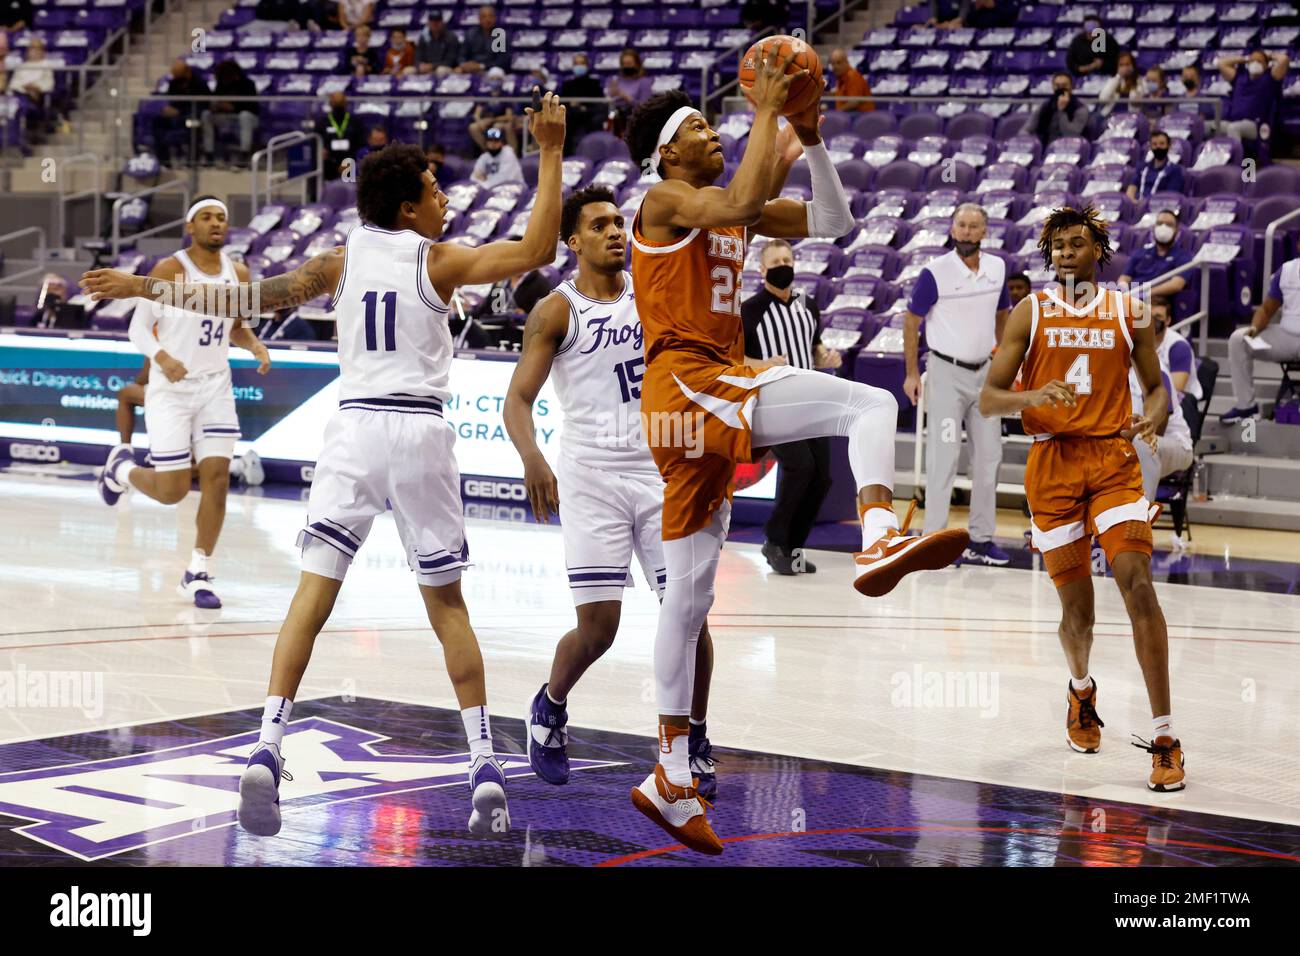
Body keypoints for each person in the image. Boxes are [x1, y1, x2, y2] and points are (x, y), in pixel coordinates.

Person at [81, 94, 570, 839]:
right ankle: (481, 763)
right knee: (447, 606)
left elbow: (235, 295)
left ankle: (267, 746)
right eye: (436, 193)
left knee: (312, 597)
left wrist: (141, 286)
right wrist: (552, 149)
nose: (445, 202)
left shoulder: (333, 265)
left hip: (351, 431)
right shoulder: (439, 260)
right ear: (407, 209)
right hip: (417, 431)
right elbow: (537, 250)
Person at [623, 53, 969, 854]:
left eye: (719, 125)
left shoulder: (725, 204)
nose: (716, 134)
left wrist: (809, 139)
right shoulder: (665, 199)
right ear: (669, 151)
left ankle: (669, 772)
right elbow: (741, 194)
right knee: (868, 402)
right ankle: (880, 534)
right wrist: (771, 110)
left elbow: (833, 223)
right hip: (690, 385)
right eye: (702, 127)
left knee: (690, 595)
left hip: (696, 397)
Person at [504, 185, 720, 797]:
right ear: (573, 241)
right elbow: (518, 399)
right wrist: (532, 457)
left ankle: (695, 735)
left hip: (659, 471)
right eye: (599, 225)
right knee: (599, 628)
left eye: (620, 222)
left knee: (691, 617)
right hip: (590, 476)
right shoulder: (556, 309)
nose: (615, 231)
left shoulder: (654, 294)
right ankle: (549, 705)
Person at [978, 204, 1184, 793]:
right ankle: (1081, 691)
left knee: (1137, 583)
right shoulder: (1030, 311)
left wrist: (1150, 420)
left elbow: (1155, 391)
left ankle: (1165, 737)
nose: (1066, 253)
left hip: (1114, 462)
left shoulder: (1130, 311)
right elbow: (990, 399)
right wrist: (1033, 395)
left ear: (1099, 250)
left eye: (1076, 244)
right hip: (1053, 465)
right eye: (1058, 246)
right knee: (1078, 615)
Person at [94, 196, 273, 610]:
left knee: (218, 479)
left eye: (222, 218)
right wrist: (162, 357)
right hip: (170, 388)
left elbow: (237, 328)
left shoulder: (240, 273)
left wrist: (255, 345)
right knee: (172, 491)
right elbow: (139, 328)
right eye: (207, 217)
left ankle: (199, 571)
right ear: (189, 226)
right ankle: (121, 468)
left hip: (215, 387)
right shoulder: (170, 270)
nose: (216, 224)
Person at [903, 204, 1011, 566]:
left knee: (989, 457)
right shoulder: (934, 272)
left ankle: (981, 539)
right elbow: (910, 321)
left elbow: (1002, 316)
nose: (966, 232)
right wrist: (912, 374)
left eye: (974, 226)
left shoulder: (998, 268)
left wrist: (1006, 367)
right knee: (944, 455)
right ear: (952, 230)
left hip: (985, 376)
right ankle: (934, 538)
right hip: (946, 375)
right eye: (961, 226)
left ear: (984, 232)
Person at [742, 238, 842, 574]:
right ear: (762, 269)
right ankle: (774, 539)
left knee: (823, 476)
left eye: (788, 259)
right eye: (776, 260)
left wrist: (825, 355)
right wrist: (763, 363)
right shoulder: (750, 310)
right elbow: (734, 359)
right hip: (775, 401)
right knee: (801, 468)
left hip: (811, 399)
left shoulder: (808, 305)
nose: (783, 265)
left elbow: (814, 346)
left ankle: (793, 549)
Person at [1221, 255, 1300, 423]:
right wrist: (1254, 328)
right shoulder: (1286, 270)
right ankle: (1246, 408)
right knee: (1238, 339)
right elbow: (1266, 309)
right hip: (1287, 336)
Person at [1213, 49, 1290, 141]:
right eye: (1252, 61)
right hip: (1234, 121)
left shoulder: (1270, 78)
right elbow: (1221, 63)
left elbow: (1284, 59)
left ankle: (1237, 155)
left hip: (1255, 124)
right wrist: (1245, 59)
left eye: (1259, 61)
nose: (1255, 63)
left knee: (1233, 128)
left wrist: (1269, 56)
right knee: (1213, 126)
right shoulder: (1239, 78)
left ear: (1266, 65)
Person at [1119, 210, 1191, 299]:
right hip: (1132, 298)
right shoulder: (1140, 253)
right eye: (1160, 223)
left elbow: (1176, 284)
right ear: (1154, 227)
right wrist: (1124, 292)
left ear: (1176, 230)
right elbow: (1124, 277)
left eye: (1169, 224)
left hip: (1158, 300)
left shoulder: (1183, 257)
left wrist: (1145, 294)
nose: (1163, 227)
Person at [201, 59, 260, 167]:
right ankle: (209, 154)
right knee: (206, 115)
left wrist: (233, 107)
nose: (224, 80)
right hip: (227, 117)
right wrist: (216, 107)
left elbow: (252, 107)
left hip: (249, 118)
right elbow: (215, 100)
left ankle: (244, 155)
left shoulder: (248, 84)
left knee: (244, 116)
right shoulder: (221, 84)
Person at [315, 90, 365, 181]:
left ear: (345, 103)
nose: (338, 104)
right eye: (335, 102)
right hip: (329, 162)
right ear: (330, 103)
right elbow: (316, 142)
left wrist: (349, 161)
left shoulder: (354, 122)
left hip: (350, 161)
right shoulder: (323, 122)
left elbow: (360, 144)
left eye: (341, 102)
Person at [560, 52, 605, 151]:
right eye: (576, 63)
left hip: (589, 114)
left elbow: (600, 103)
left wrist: (584, 107)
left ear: (587, 66)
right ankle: (566, 154)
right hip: (572, 115)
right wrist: (572, 105)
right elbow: (562, 103)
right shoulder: (567, 85)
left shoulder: (594, 84)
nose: (579, 66)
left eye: (582, 63)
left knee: (596, 120)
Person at [1035, 72, 1091, 147]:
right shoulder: (1045, 105)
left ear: (1071, 87)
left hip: (1072, 148)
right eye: (1057, 86)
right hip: (1047, 148)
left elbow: (1071, 134)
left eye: (1064, 85)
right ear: (1052, 87)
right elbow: (1028, 128)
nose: (1061, 89)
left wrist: (1061, 111)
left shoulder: (1080, 108)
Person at [470, 66, 518, 151]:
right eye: (492, 79)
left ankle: (510, 152)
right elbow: (476, 114)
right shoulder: (484, 95)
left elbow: (508, 116)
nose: (495, 81)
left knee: (496, 126)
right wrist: (480, 122)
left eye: (498, 79)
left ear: (502, 81)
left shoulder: (506, 95)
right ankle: (487, 150)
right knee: (473, 127)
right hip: (487, 120)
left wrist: (493, 120)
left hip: (501, 121)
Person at [1126, 129, 1184, 200]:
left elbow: (1170, 197)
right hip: (1137, 205)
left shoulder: (1175, 170)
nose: (1158, 147)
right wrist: (1134, 203)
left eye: (1162, 144)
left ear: (1169, 146)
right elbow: (1131, 189)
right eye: (1154, 144)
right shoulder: (1142, 167)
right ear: (1150, 146)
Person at [606, 48, 654, 134]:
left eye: (629, 63)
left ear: (637, 64)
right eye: (624, 64)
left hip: (634, 117)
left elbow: (645, 107)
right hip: (616, 114)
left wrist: (627, 98)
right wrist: (611, 95)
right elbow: (610, 101)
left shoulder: (644, 82)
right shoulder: (617, 81)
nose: (626, 66)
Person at [459, 4, 509, 74]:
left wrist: (481, 66)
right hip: (472, 68)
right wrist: (464, 64)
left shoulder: (500, 35)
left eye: (490, 16)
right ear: (479, 19)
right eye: (484, 16)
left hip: (490, 69)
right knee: (458, 70)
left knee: (496, 72)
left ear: (495, 18)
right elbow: (462, 55)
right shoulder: (471, 34)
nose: (487, 19)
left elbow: (502, 62)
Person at [828, 48, 874, 112]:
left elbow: (854, 102)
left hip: (860, 115)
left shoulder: (853, 76)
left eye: (838, 63)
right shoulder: (840, 77)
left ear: (846, 62)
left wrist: (837, 113)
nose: (835, 67)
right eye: (833, 64)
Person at [1098, 51, 1141, 117]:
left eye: (1127, 64)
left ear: (1133, 66)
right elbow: (1103, 99)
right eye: (1121, 65)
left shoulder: (1140, 82)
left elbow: (1136, 103)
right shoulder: (1113, 80)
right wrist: (1118, 77)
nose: (1124, 68)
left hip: (1131, 117)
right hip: (1111, 115)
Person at [417, 11, 460, 76]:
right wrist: (419, 65)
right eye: (432, 21)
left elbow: (450, 60)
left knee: (440, 70)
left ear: (442, 22)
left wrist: (432, 65)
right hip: (426, 67)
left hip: (445, 67)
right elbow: (418, 55)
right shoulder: (424, 37)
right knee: (409, 70)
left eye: (437, 21)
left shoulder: (451, 37)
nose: (435, 24)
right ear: (428, 23)